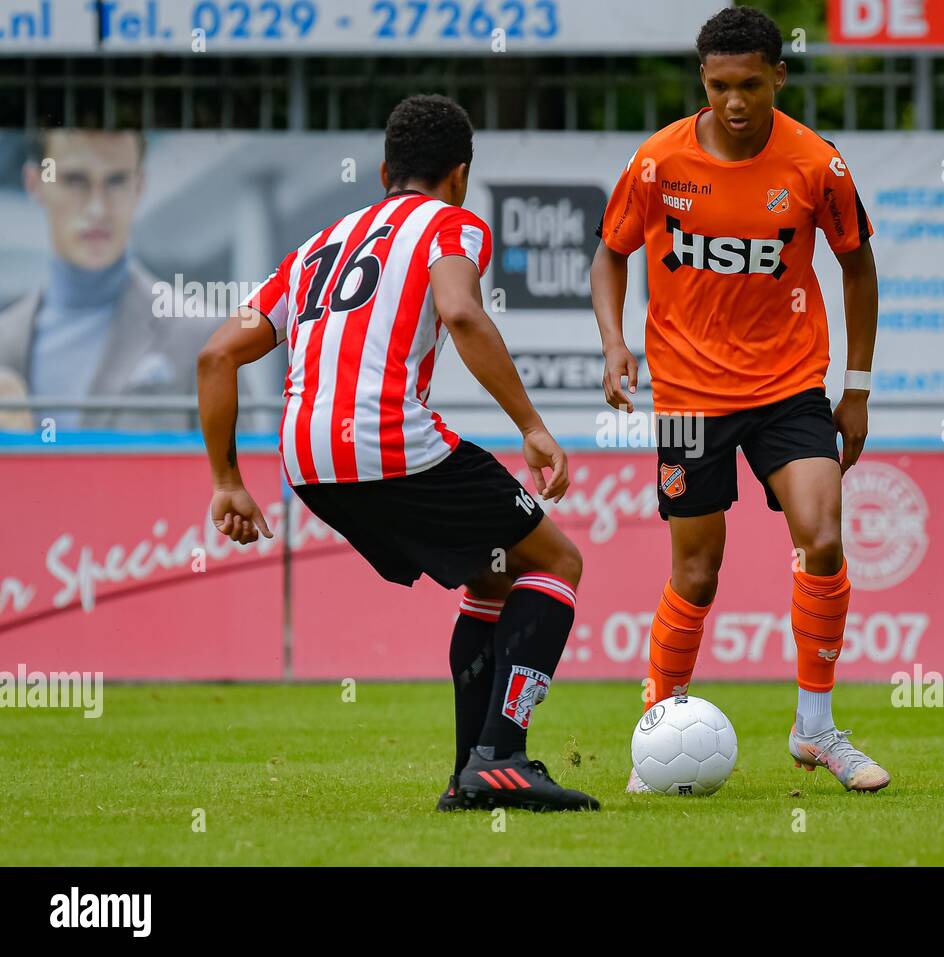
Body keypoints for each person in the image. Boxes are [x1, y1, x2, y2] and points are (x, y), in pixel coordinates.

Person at [196, 94, 598, 813]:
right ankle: (502, 755)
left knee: (496, 572)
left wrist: (228, 480)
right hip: (388, 439)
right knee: (557, 560)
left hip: (306, 462)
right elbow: (462, 311)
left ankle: (471, 772)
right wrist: (532, 424)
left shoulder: (318, 245)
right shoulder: (454, 223)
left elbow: (216, 354)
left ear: (384, 169)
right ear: (461, 175)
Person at [590, 6, 890, 794]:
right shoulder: (658, 163)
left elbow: (859, 269)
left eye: (750, 84)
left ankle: (816, 729)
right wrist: (614, 342)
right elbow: (609, 256)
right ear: (703, 80)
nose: (733, 101)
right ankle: (656, 736)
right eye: (719, 85)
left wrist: (855, 389)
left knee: (821, 536)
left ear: (778, 77)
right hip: (690, 395)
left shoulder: (816, 164)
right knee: (697, 572)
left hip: (790, 386)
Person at [0, 129, 212, 431]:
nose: (97, 209)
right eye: (75, 180)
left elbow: (248, 474)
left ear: (139, 185)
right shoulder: (5, 342)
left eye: (116, 181)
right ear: (35, 184)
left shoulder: (200, 336)